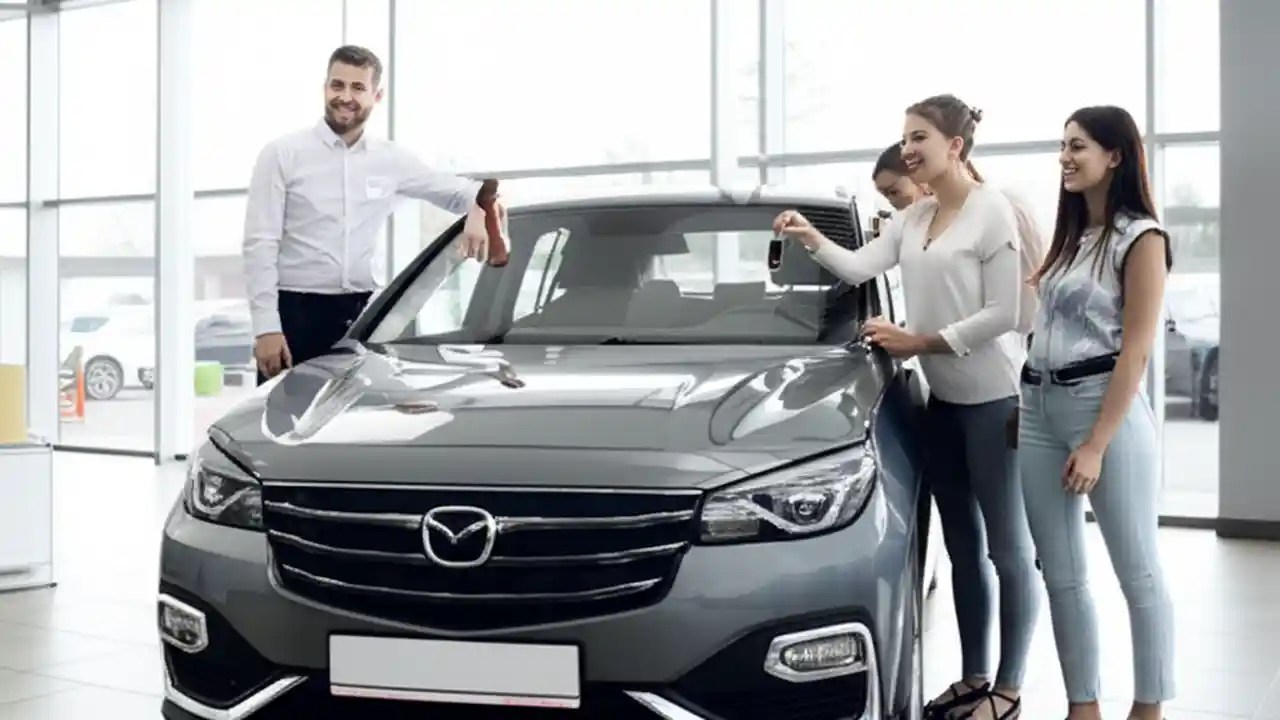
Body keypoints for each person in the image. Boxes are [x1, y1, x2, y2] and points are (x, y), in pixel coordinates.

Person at [774, 94, 1040, 720]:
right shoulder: (915, 218)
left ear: (956, 146)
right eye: (905, 137)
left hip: (993, 401)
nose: (910, 148)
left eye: (920, 137)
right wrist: (810, 235)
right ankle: (975, 678)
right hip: (945, 403)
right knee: (963, 547)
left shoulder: (991, 212)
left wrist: (918, 341)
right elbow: (858, 264)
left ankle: (1008, 689)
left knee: (1008, 551)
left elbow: (1002, 314)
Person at [1019, 106, 1175, 720]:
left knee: (1136, 571)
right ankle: (1082, 706)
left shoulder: (1143, 238)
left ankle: (1149, 706)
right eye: (1062, 145)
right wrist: (1026, 398)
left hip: (1102, 411)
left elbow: (1135, 349)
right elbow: (1042, 327)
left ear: (1115, 156)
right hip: (1037, 407)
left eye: (1078, 146)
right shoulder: (1070, 239)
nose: (1065, 156)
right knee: (1060, 574)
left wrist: (1097, 443)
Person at [243, 45, 496, 384]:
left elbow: (461, 192)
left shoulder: (390, 159)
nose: (345, 96)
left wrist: (479, 210)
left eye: (357, 88)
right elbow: (260, 244)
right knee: (286, 429)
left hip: (363, 319)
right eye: (337, 85)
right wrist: (266, 328)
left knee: (353, 429)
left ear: (376, 96)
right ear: (325, 88)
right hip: (294, 317)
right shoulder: (282, 154)